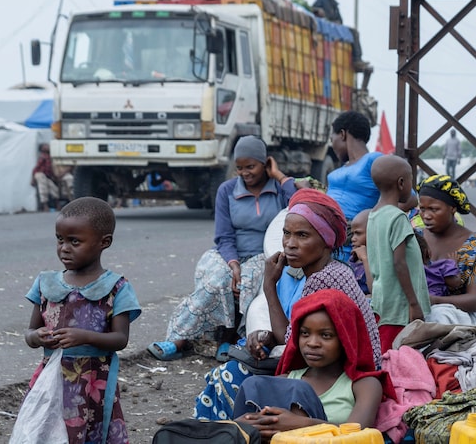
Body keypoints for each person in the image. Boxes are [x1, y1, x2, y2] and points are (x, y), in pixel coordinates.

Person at [193, 188, 380, 420]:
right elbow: (295, 334)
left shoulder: (324, 279)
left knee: (228, 375)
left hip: (339, 374)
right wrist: (269, 336)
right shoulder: (331, 270)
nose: (290, 244)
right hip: (327, 364)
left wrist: (269, 286)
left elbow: (290, 341)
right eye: (286, 233)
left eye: (302, 235)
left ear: (326, 240)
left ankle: (223, 431)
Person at [148, 136, 299, 361]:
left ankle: (229, 340)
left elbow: (299, 203)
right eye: (239, 168)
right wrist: (233, 263)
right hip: (229, 252)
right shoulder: (227, 190)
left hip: (262, 254)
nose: (245, 173)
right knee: (217, 281)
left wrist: (278, 175)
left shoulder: (278, 189)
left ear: (265, 163)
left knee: (244, 285)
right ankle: (179, 339)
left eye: (251, 166)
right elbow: (224, 236)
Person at [22, 197, 141, 444]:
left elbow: (120, 339)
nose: (64, 248)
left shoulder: (116, 287)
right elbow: (30, 333)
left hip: (93, 383)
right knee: (44, 432)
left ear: (104, 242)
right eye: (60, 239)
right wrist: (37, 337)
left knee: (91, 433)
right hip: (51, 380)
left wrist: (84, 337)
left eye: (74, 241)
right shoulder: (46, 283)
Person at [234, 289, 390, 437]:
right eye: (305, 333)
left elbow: (358, 435)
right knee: (253, 385)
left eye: (326, 335)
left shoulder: (363, 385)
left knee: (300, 389)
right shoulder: (286, 381)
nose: (312, 343)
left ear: (345, 339)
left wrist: (301, 424)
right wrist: (241, 425)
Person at [365, 155, 430, 349]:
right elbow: (399, 263)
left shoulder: (373, 215)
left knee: (384, 349)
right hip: (399, 305)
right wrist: (414, 304)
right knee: (396, 355)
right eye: (411, 180)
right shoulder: (397, 218)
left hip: (382, 299)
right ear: (401, 183)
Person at [414, 174, 476, 328]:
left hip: (459, 318)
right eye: (422, 209)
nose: (426, 216)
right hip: (418, 312)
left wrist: (435, 301)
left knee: (438, 316)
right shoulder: (416, 237)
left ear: (453, 208)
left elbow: (475, 300)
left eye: (434, 209)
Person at [326, 111, 382, 221]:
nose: (333, 146)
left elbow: (409, 199)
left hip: (351, 225)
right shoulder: (339, 171)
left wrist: (372, 218)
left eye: (332, 140)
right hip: (325, 221)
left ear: (342, 134)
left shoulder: (374, 160)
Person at [416, 232, 461, 297]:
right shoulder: (440, 267)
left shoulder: (409, 272)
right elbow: (455, 283)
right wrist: (454, 263)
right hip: (437, 299)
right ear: (428, 252)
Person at [32, 143, 71, 211]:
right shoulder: (43, 156)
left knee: (54, 189)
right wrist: (32, 179)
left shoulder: (50, 156)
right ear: (42, 149)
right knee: (43, 187)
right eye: (46, 146)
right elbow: (36, 169)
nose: (48, 146)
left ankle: (57, 205)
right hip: (40, 174)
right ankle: (45, 205)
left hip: (47, 176)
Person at [348, 209, 371, 294]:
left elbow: (374, 290)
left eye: (358, 233)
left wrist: (365, 259)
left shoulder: (378, 261)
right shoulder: (353, 259)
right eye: (352, 234)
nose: (353, 239)